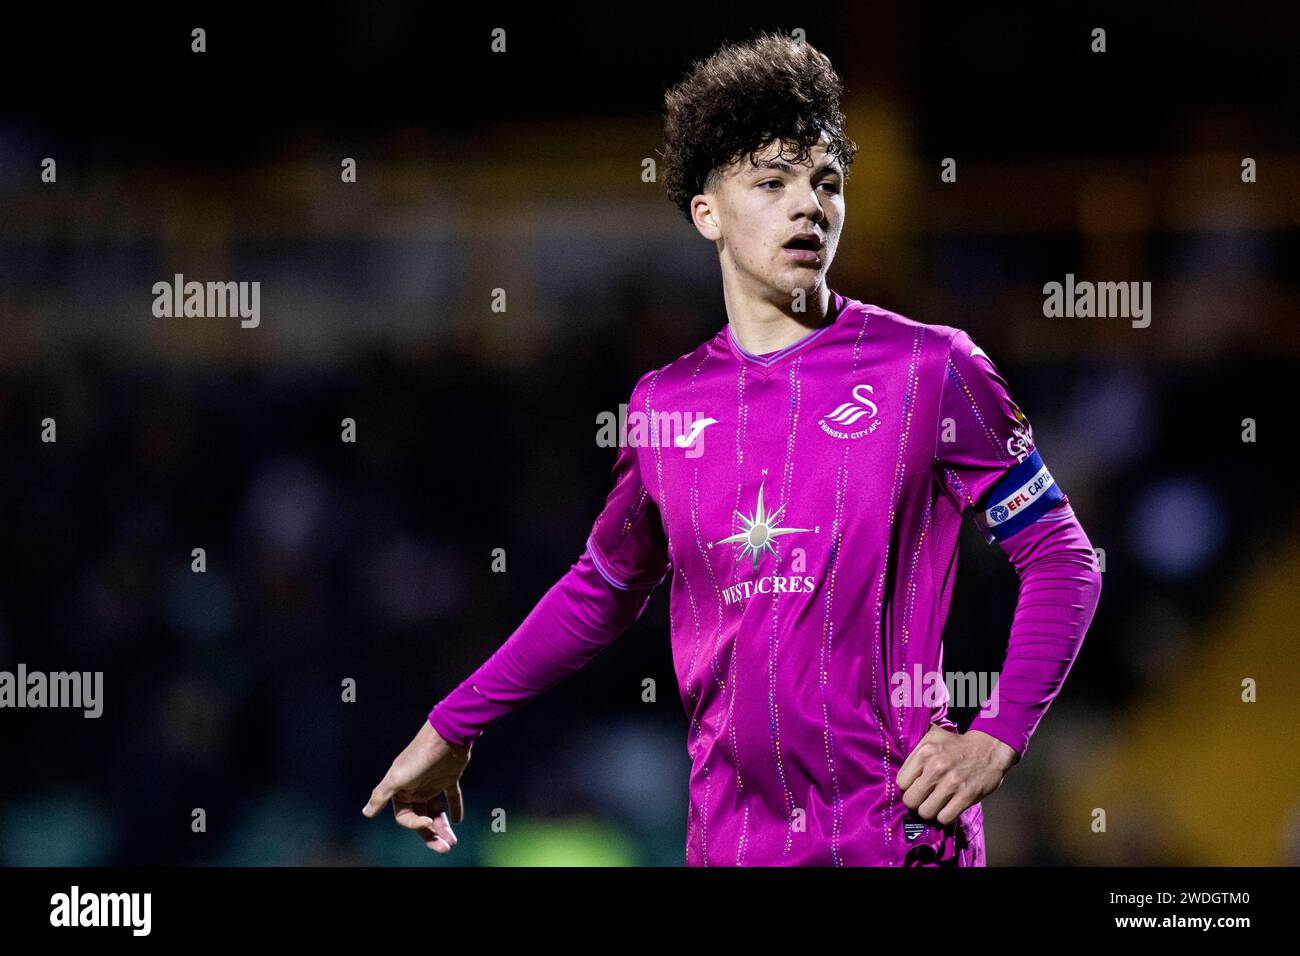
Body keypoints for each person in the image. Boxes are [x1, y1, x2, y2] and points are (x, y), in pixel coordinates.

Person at [362, 30, 1102, 866]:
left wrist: (999, 734)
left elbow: (1063, 557)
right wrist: (454, 723)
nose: (809, 206)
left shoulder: (932, 370)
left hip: (895, 840)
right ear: (706, 211)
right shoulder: (663, 408)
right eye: (773, 181)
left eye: (827, 184)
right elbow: (602, 587)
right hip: (731, 846)